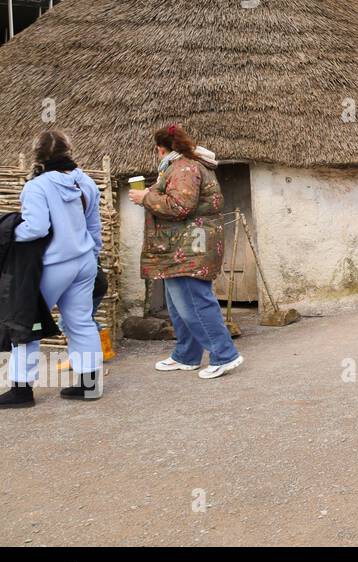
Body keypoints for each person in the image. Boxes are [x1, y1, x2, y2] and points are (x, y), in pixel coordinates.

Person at [128, 124, 243, 379]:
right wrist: (152, 192)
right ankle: (187, 355)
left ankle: (225, 355)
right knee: (178, 303)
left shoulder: (184, 168)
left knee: (194, 302)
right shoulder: (181, 166)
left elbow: (181, 206)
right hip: (179, 246)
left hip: (191, 245)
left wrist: (144, 198)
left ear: (161, 149)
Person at [0, 130, 104, 407]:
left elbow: (36, 228)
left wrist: (7, 232)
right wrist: (93, 258)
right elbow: (95, 227)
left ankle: (21, 391)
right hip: (84, 263)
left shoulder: (37, 186)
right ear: (68, 150)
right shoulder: (86, 181)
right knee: (81, 322)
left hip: (52, 265)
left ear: (37, 154)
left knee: (26, 324)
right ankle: (89, 385)